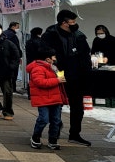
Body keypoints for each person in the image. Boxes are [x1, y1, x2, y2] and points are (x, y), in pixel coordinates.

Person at [41, 10, 92, 146]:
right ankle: (55, 130)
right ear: (64, 23)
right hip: (58, 74)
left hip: (77, 76)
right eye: (72, 22)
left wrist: (86, 73)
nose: (75, 24)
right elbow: (44, 54)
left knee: (77, 106)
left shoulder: (79, 36)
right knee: (56, 104)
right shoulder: (50, 36)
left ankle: (75, 134)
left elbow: (86, 56)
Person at [27, 45, 67, 150]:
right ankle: (35, 137)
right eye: (54, 57)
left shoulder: (53, 67)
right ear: (47, 58)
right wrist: (57, 80)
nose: (55, 58)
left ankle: (53, 140)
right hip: (43, 99)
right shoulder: (38, 68)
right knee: (43, 119)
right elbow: (40, 82)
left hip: (55, 98)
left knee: (56, 120)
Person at [24, 27, 44, 99]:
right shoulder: (40, 41)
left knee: (31, 79)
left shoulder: (28, 41)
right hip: (39, 63)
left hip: (30, 62)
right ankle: (37, 93)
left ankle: (30, 94)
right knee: (39, 78)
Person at [4, 21, 23, 91]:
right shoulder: (12, 35)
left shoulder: (4, 33)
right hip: (12, 58)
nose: (18, 29)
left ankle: (6, 87)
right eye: (17, 27)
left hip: (5, 57)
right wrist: (19, 56)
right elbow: (16, 47)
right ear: (13, 27)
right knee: (14, 74)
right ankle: (12, 88)